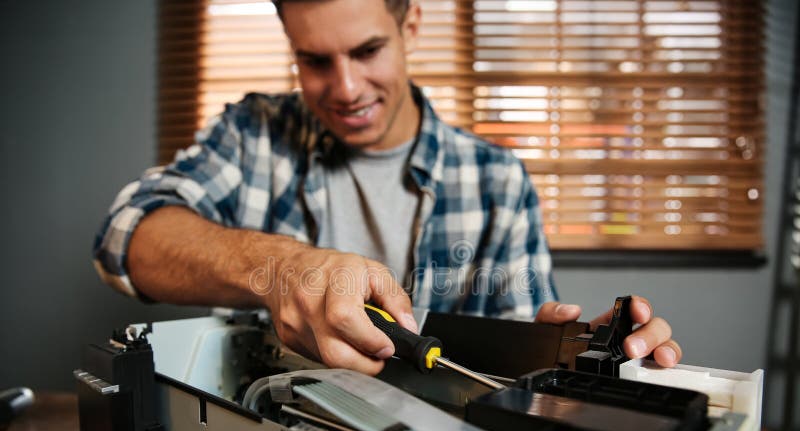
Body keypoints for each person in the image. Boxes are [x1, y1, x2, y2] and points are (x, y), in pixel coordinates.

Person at [93, 0, 681, 375]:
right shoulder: (253, 135)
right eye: (315, 60)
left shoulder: (498, 181)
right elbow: (125, 237)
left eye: (367, 51)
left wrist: (580, 357)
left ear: (412, 25)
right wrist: (280, 267)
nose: (345, 88)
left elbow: (516, 366)